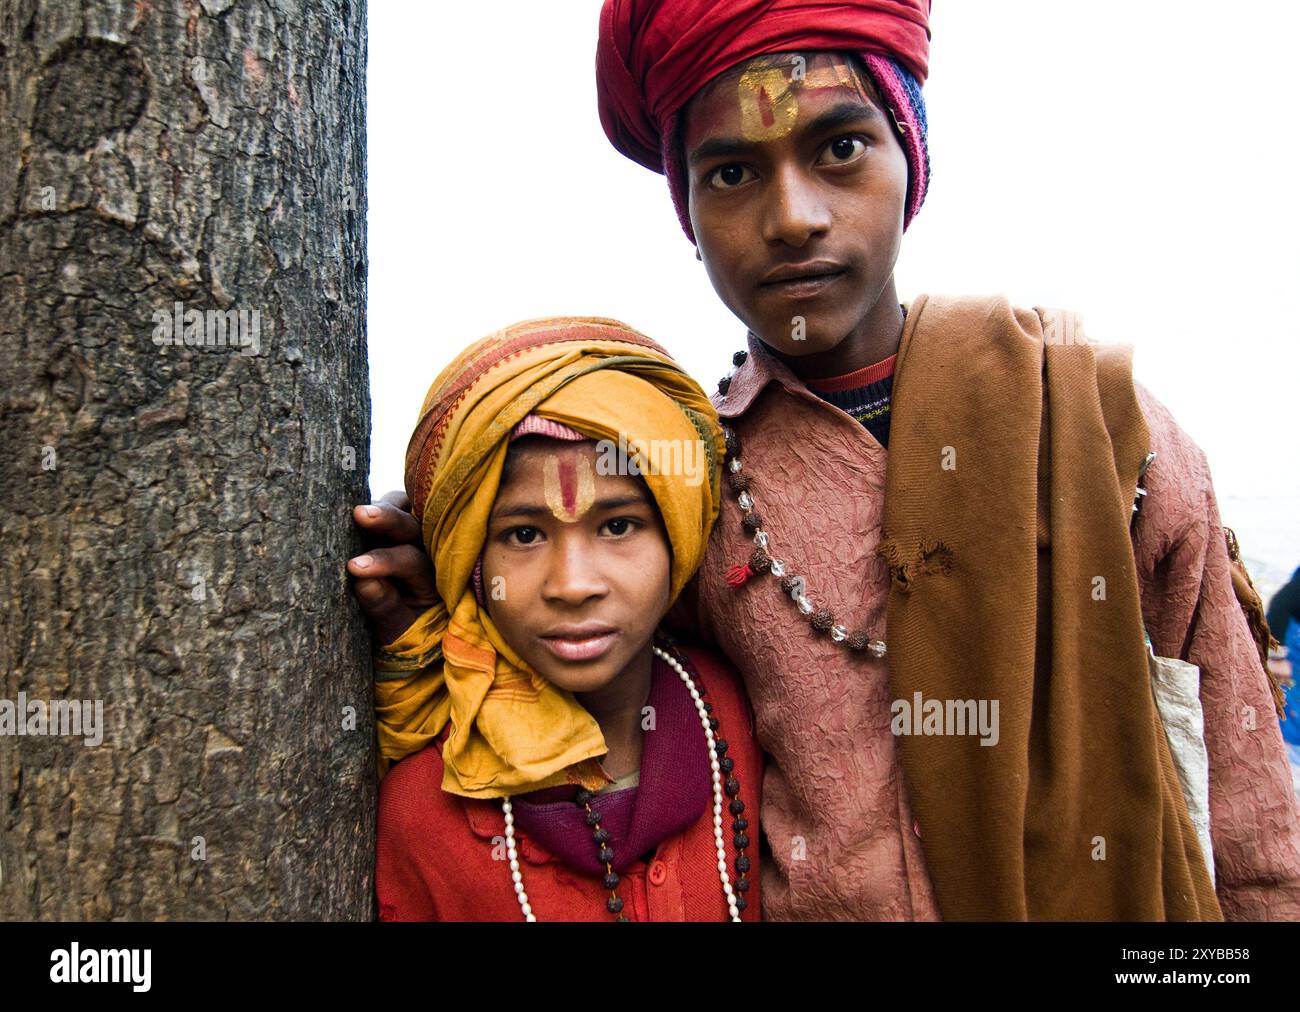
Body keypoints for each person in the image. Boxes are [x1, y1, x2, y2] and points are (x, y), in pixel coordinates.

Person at [354, 1, 1300, 920]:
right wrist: (439, 596)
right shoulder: (686, 492)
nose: (794, 216)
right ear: (686, 213)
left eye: (840, 148)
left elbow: (1252, 806)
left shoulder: (1096, 425)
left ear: (912, 164)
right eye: (729, 173)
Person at [369, 317, 761, 922]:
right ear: (469, 562)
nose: (573, 585)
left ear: (679, 537)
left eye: (617, 526)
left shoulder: (739, 715)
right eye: (523, 534)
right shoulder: (422, 813)